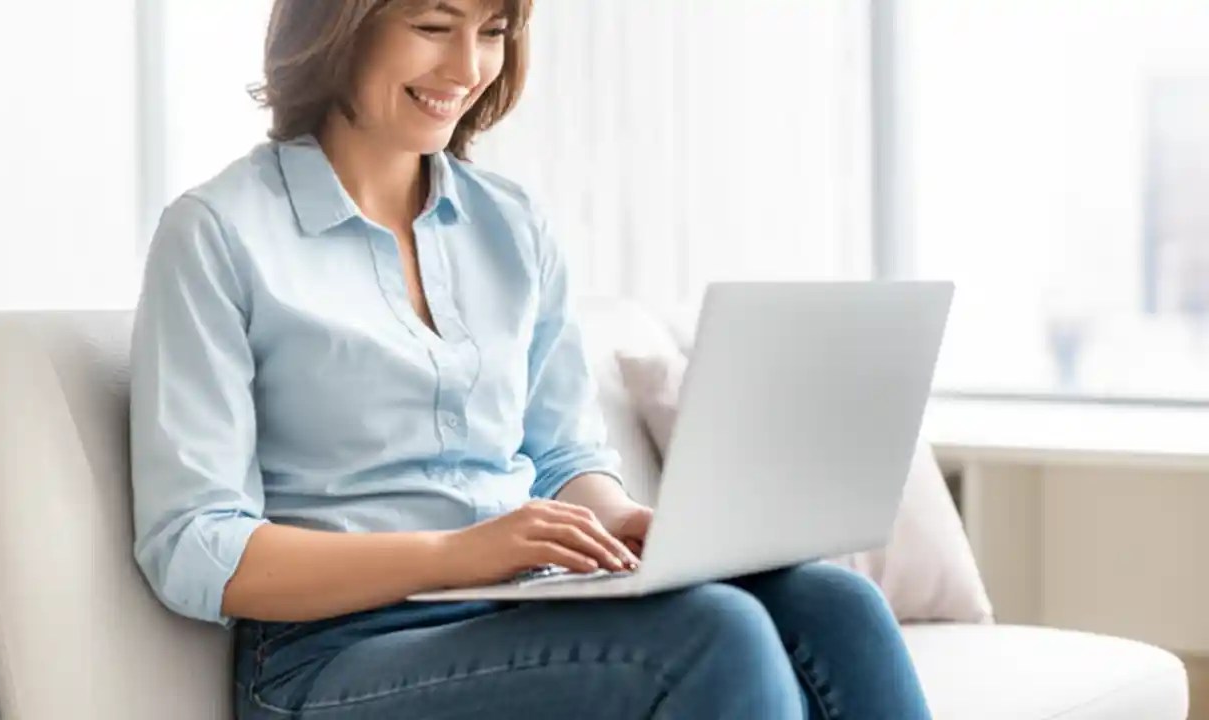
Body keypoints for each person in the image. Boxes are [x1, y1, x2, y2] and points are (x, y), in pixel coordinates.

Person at [129, 0, 933, 717]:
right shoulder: (218, 234)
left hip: (518, 609)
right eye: (434, 26)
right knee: (711, 637)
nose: (469, 67)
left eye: (493, 31)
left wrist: (621, 525)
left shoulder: (509, 225)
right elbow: (197, 548)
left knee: (837, 605)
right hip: (331, 655)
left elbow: (561, 455)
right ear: (337, 23)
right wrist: (454, 554)